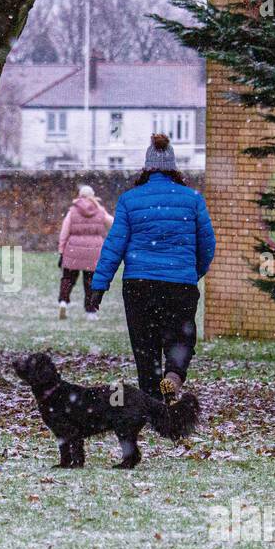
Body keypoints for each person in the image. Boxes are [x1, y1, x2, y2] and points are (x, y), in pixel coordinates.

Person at [88, 134, 215, 400]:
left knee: (145, 346)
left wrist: (99, 285)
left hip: (139, 285)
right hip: (180, 283)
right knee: (180, 337)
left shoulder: (129, 200)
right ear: (174, 167)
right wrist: (194, 272)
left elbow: (114, 245)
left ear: (146, 167)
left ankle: (152, 400)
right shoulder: (192, 199)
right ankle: (174, 374)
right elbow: (207, 244)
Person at [57, 184, 114, 321]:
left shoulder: (73, 211)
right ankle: (91, 312)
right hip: (94, 251)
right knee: (90, 282)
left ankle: (63, 302)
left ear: (80, 195)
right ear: (93, 195)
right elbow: (113, 223)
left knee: (68, 278)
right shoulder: (99, 210)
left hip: (73, 249)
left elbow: (64, 232)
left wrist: (61, 250)